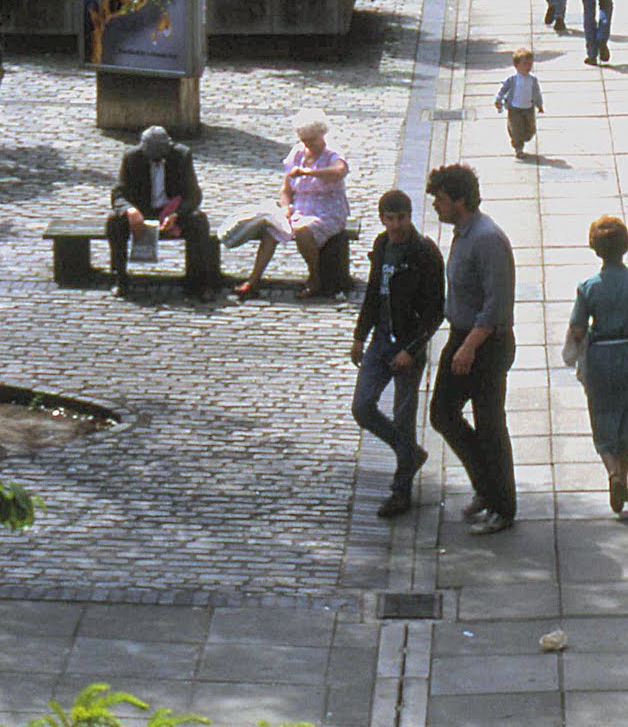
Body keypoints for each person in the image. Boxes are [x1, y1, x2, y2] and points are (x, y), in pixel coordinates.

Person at [428, 163, 517, 536]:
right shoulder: (463, 233)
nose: (436, 206)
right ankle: (485, 484)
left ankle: (502, 506)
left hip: (484, 343)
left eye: (442, 200)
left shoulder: (486, 239)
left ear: (461, 200)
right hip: (463, 335)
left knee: (490, 424)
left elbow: (496, 305)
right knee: (443, 414)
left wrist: (468, 347)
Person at [350, 190, 445, 519]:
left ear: (409, 216)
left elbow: (436, 310)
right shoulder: (381, 245)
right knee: (362, 407)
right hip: (380, 339)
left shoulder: (424, 253)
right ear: (382, 219)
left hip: (408, 345)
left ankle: (400, 489)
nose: (396, 225)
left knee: (404, 417)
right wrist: (360, 336)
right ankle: (410, 454)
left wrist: (412, 349)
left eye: (401, 218)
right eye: (389, 219)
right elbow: (374, 292)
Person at [565, 216, 628, 513]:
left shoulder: (588, 287)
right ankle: (624, 476)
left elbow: (577, 329)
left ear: (595, 249)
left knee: (603, 418)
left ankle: (612, 473)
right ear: (626, 246)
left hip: (602, 359)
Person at [234, 111, 349, 300]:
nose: (308, 145)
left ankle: (315, 278)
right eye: (304, 140)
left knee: (303, 230)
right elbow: (286, 189)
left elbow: (338, 172)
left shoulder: (332, 153)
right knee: (271, 230)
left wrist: (309, 172)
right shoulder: (297, 152)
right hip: (300, 208)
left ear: (321, 134)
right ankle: (253, 281)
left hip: (327, 209)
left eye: (311, 140)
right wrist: (286, 207)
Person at [107, 125, 218, 299]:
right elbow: (118, 193)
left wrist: (177, 214)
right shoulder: (131, 158)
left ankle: (197, 282)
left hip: (171, 210)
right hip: (143, 211)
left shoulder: (182, 155)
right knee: (114, 221)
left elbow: (193, 195)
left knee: (199, 221)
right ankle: (119, 278)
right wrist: (130, 210)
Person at [495, 45, 544, 158]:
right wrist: (498, 99)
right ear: (516, 66)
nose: (528, 67)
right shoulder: (512, 79)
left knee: (530, 131)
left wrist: (539, 105)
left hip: (528, 108)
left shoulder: (532, 79)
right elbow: (503, 89)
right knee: (517, 130)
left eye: (530, 64)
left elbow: (536, 93)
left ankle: (523, 137)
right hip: (514, 108)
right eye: (525, 64)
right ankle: (518, 147)